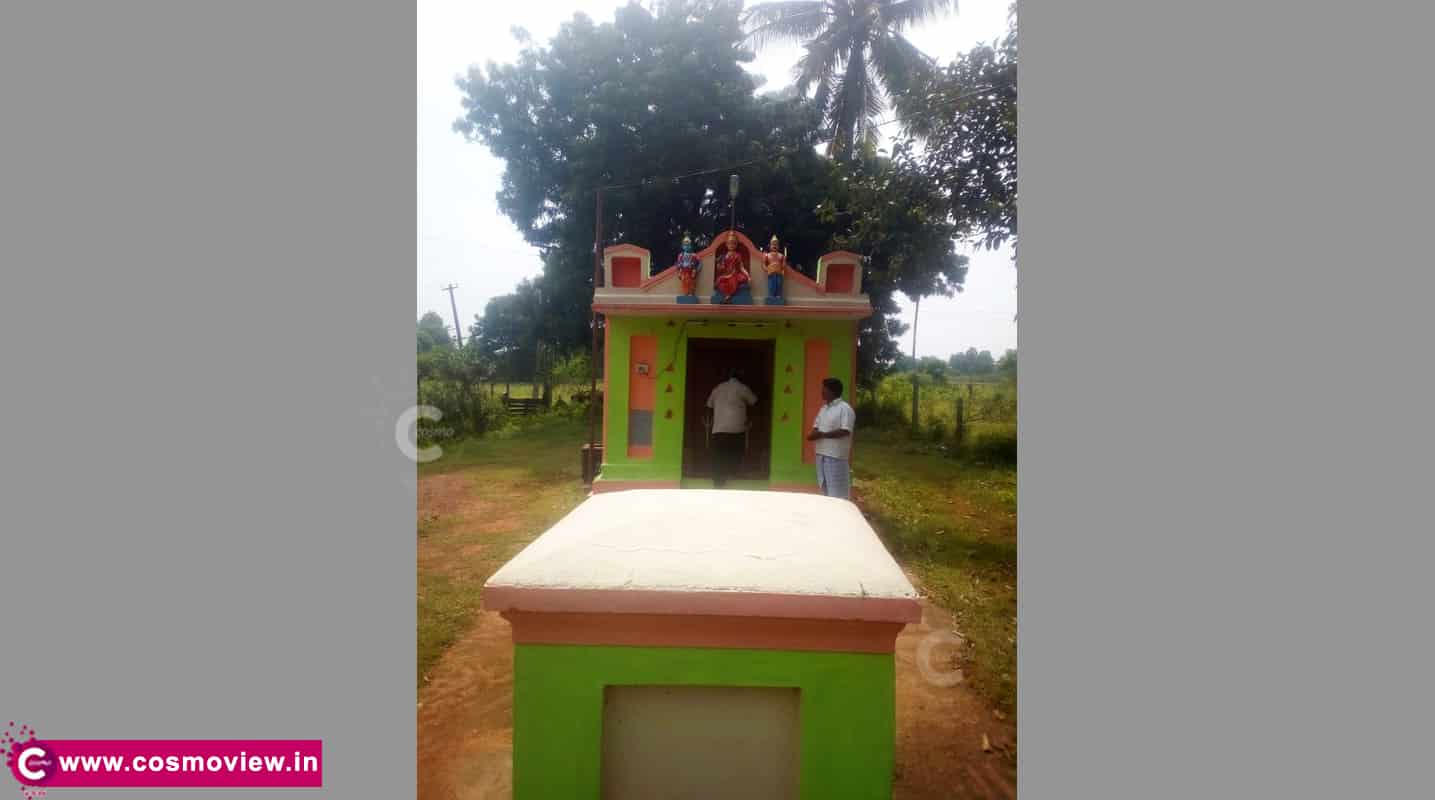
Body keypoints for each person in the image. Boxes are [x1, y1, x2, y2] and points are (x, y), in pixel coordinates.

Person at [706, 367, 757, 488]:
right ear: (740, 377)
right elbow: (754, 402)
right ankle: (732, 475)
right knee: (735, 453)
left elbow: (708, 405)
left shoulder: (718, 388)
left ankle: (718, 482)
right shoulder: (742, 388)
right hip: (737, 429)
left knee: (718, 455)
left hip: (718, 429)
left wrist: (711, 422)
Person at [806, 377, 855, 499]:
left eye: (824, 389)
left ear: (832, 391)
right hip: (821, 456)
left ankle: (840, 517)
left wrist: (823, 435)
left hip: (836, 457)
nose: (821, 391)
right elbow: (816, 427)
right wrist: (812, 435)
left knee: (838, 494)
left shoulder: (845, 408)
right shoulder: (824, 409)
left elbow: (845, 431)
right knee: (825, 491)